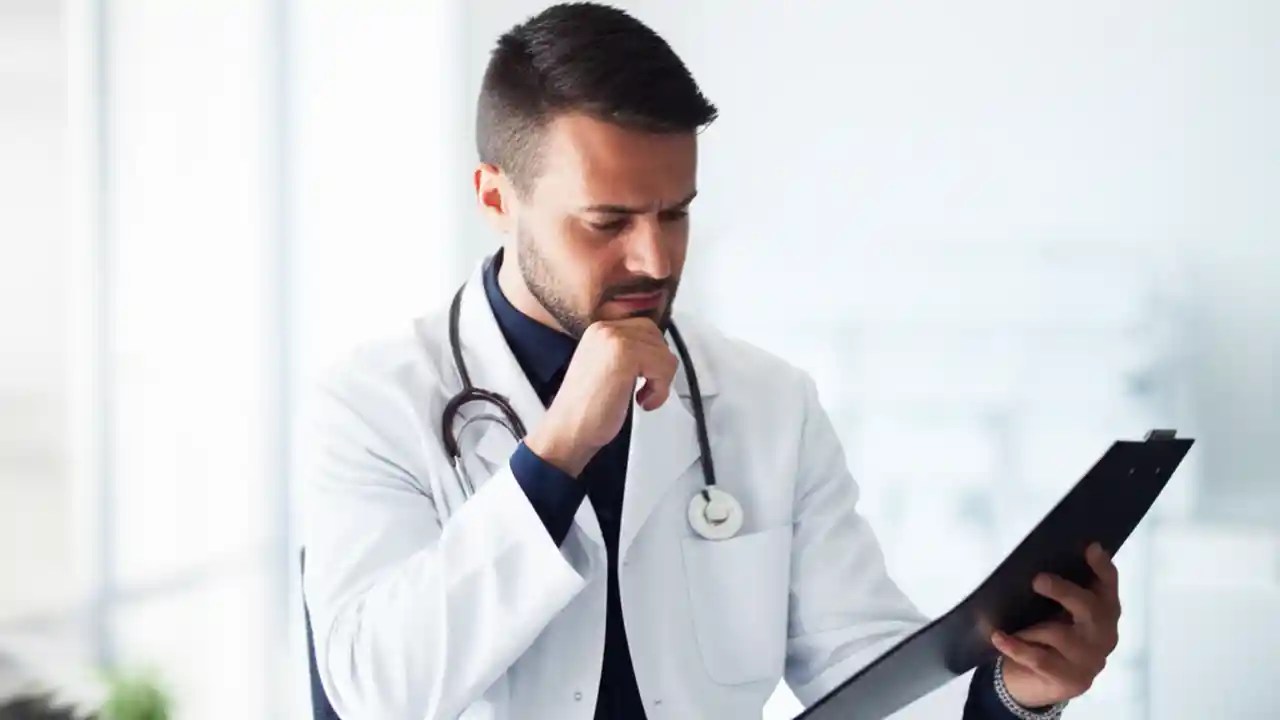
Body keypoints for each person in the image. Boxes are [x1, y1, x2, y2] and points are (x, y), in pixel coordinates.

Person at [300, 3, 1122, 718]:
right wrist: (556, 455)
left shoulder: (767, 403)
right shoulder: (374, 405)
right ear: (495, 197)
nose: (655, 260)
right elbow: (375, 691)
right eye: (608, 222)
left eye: (676, 214)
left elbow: (863, 668)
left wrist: (1018, 690)